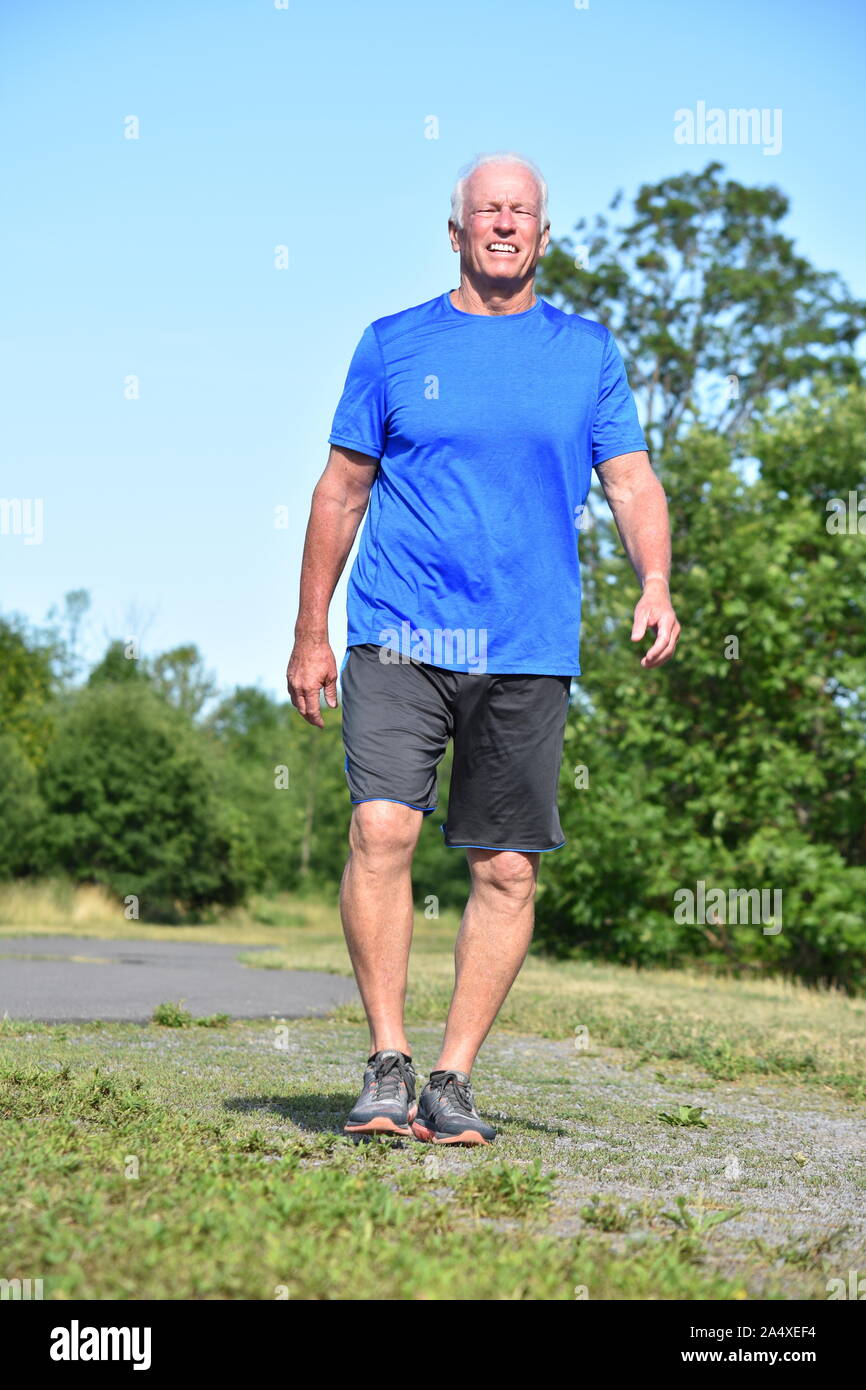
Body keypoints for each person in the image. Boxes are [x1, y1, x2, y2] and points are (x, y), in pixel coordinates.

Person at [286, 151, 680, 1145]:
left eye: (520, 212)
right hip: (400, 630)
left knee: (505, 867)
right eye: (484, 210)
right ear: (454, 229)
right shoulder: (390, 344)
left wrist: (655, 581)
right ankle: (385, 1059)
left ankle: (450, 1078)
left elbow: (629, 482)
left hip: (526, 641)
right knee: (382, 829)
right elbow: (340, 490)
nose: (502, 224)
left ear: (541, 234)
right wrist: (308, 633)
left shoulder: (584, 353)